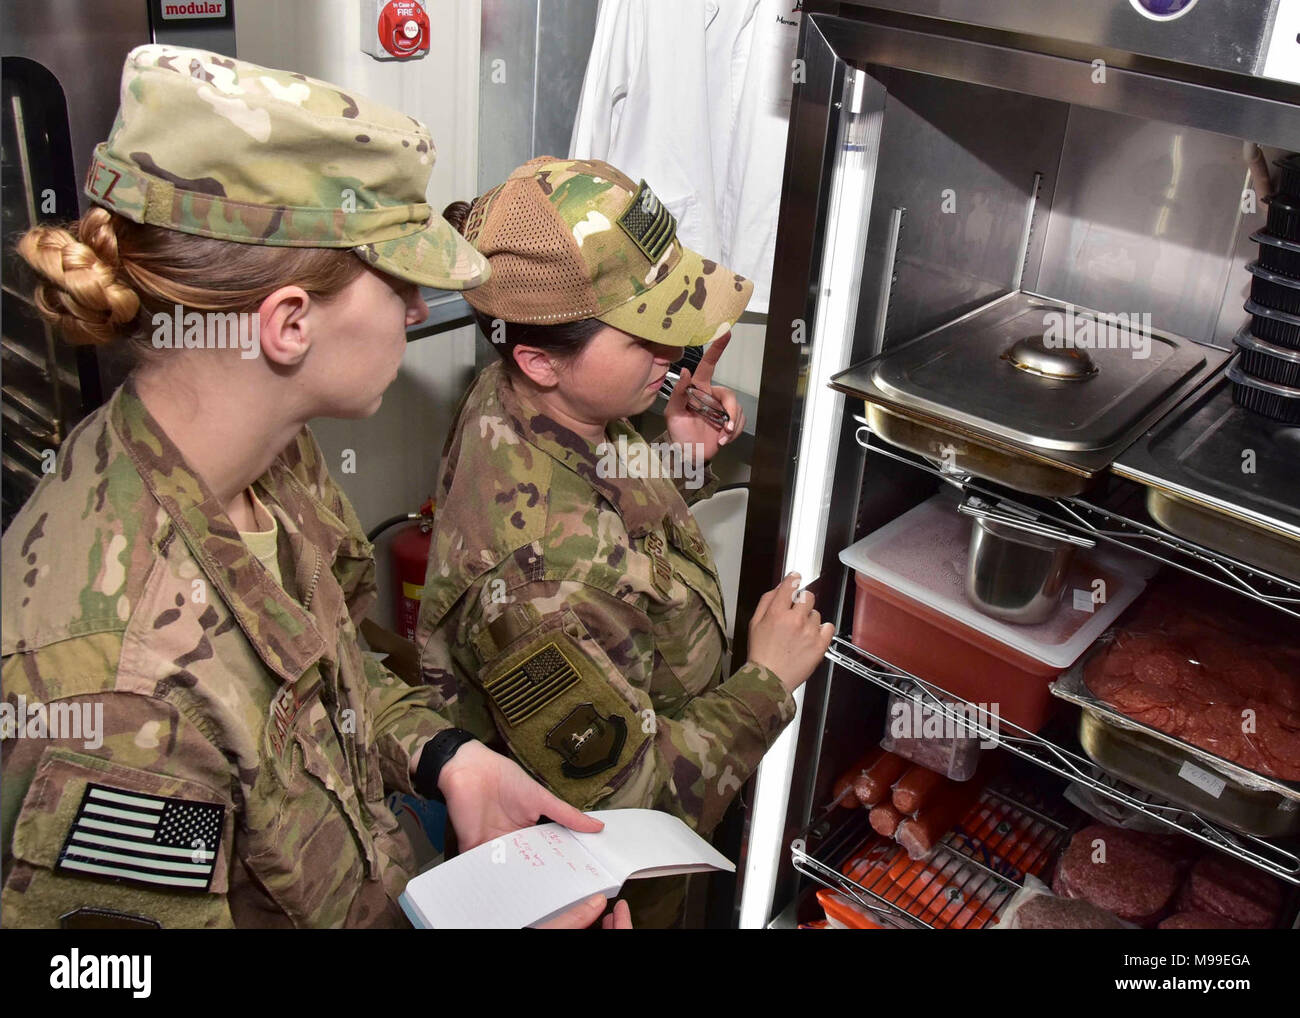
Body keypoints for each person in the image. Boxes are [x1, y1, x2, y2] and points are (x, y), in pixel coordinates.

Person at [0, 46, 628, 930]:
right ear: (289, 323)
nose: (417, 312)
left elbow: (327, 672)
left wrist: (450, 759)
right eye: (401, 280)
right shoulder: (121, 700)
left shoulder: (264, 451)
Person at [416, 157, 835, 926]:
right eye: (644, 336)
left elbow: (609, 522)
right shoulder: (537, 586)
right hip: (598, 893)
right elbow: (628, 812)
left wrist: (674, 453)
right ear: (539, 360)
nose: (674, 353)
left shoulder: (534, 397)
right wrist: (767, 681)